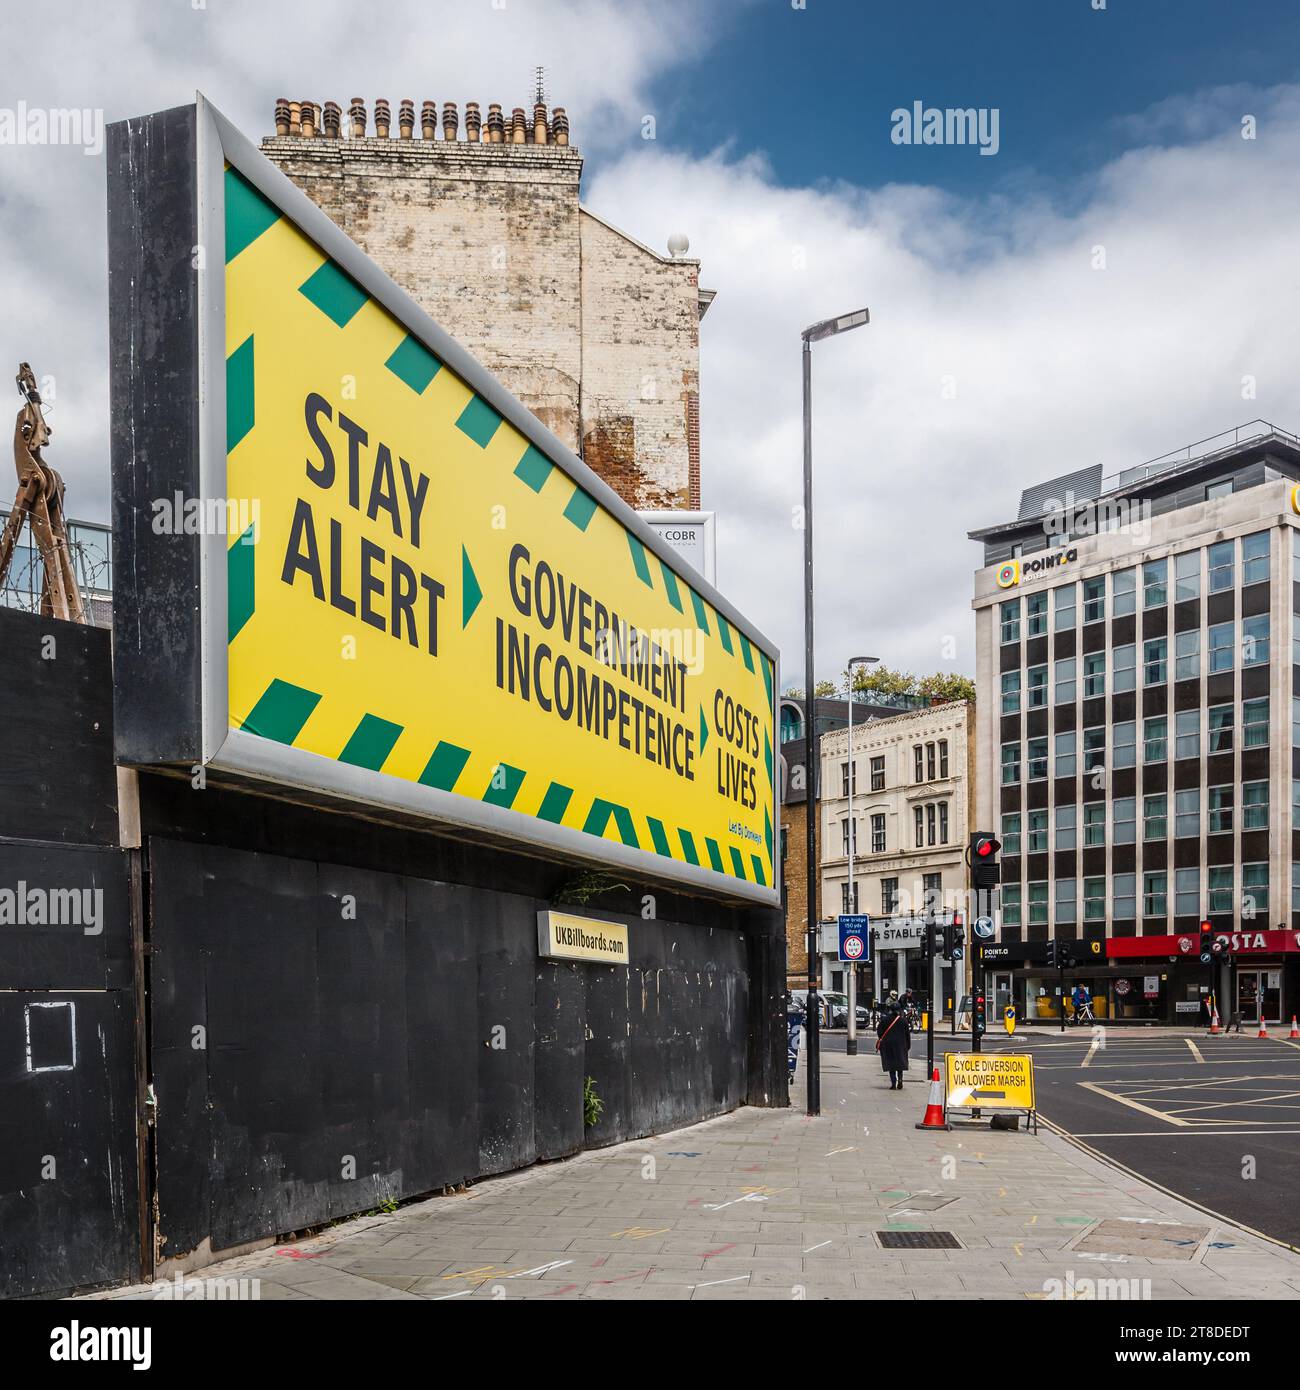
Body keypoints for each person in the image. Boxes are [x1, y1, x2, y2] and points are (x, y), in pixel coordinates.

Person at [875, 991, 911, 1090]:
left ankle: (893, 1083)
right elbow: (907, 1035)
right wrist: (907, 1046)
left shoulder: (885, 1020)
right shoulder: (903, 1021)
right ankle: (900, 1079)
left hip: (888, 1045)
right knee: (900, 1064)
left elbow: (879, 1031)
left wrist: (883, 1039)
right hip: (900, 1045)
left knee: (891, 1065)